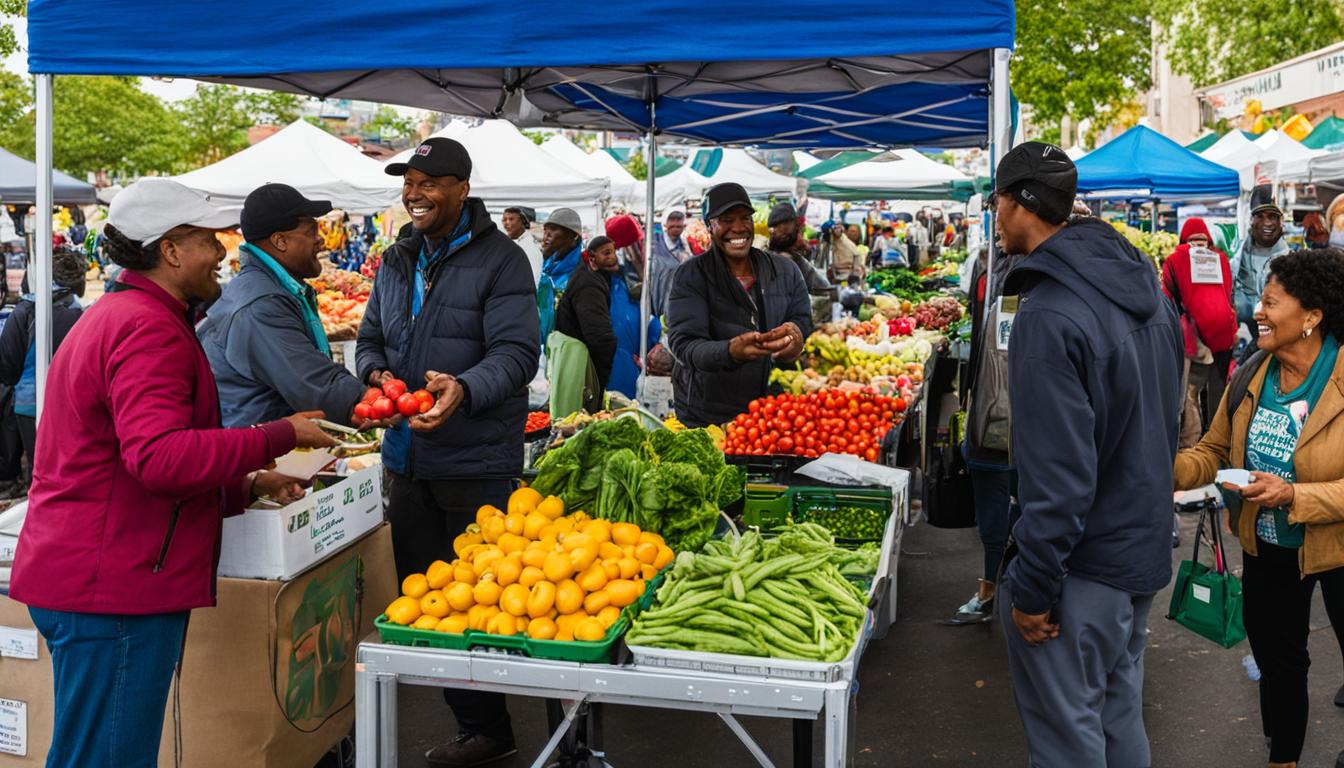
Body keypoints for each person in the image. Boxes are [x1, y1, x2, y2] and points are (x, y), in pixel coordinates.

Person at [7, 178, 336, 768]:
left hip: (99, 573)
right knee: (107, 756)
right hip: (113, 586)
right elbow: (157, 458)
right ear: (170, 249)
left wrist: (244, 483)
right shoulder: (146, 327)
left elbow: (124, 458)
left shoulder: (126, 313)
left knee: (96, 750)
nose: (221, 254)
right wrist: (275, 436)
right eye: (209, 240)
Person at [991, 142, 1183, 766]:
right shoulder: (1144, 289)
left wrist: (1031, 589)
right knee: (1119, 714)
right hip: (1140, 549)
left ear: (1023, 204)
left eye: (997, 199)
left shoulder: (1048, 313)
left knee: (1068, 739)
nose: (993, 214)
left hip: (1085, 564)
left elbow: (1059, 482)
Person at [360, 137, 539, 766]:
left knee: (487, 600)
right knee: (427, 591)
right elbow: (371, 339)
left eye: (429, 181)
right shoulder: (394, 258)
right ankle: (474, 723)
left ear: (462, 188)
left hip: (477, 462)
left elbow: (518, 355)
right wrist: (378, 376)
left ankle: (494, 727)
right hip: (406, 458)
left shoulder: (502, 260)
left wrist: (464, 389)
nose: (415, 193)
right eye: (408, 181)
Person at [1174, 248, 1344, 768]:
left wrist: (1294, 495)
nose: (1257, 312)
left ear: (1312, 317)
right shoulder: (1252, 372)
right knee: (1278, 660)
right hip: (1267, 546)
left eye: (1271, 302)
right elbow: (1213, 452)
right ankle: (1283, 758)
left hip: (1338, 550)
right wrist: (1156, 467)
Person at [198, 184, 372, 429]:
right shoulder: (261, 304)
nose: (321, 240)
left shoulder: (269, 287)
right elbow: (310, 381)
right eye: (312, 231)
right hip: (261, 454)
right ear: (280, 241)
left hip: (273, 442)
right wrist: (366, 401)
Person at [666, 183, 812, 428]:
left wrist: (794, 339)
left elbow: (803, 320)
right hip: (707, 414)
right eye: (726, 219)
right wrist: (730, 351)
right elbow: (685, 344)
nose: (738, 227)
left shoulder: (785, 270)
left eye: (745, 218)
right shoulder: (691, 275)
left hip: (772, 411)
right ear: (710, 225)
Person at [947, 245, 1023, 624]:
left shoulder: (1014, 288)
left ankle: (997, 587)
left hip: (1001, 423)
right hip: (997, 419)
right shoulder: (992, 273)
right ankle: (998, 585)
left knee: (1002, 507)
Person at [0, 246, 85, 482]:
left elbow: (7, 366)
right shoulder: (83, 312)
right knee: (67, 471)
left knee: (41, 472)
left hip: (31, 404)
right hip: (74, 403)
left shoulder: (25, 310)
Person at [1162, 217, 1239, 448]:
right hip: (1224, 333)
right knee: (1218, 390)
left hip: (1194, 337)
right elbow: (1228, 294)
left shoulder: (1176, 259)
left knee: (1190, 394)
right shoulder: (1221, 258)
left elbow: (1167, 298)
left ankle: (1190, 445)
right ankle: (1218, 444)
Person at [551, 235, 618, 414]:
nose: (613, 256)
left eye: (613, 251)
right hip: (580, 364)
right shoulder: (588, 283)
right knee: (579, 417)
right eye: (606, 253)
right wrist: (601, 378)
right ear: (593, 256)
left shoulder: (593, 275)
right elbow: (599, 336)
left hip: (578, 357)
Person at [1233, 185, 1289, 341]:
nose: (1268, 223)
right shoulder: (1238, 256)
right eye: (1261, 216)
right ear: (1251, 220)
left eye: (1273, 217)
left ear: (1281, 222)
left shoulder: (1289, 262)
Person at [766, 202, 832, 328]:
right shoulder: (763, 260)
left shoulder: (799, 263)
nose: (781, 231)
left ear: (796, 227)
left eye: (786, 225)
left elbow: (824, 289)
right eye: (776, 227)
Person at [537, 208, 585, 354]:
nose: (546, 236)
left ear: (573, 237)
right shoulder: (545, 267)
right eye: (545, 230)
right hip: (548, 350)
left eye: (553, 230)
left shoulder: (581, 273)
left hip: (571, 350)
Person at [649, 209, 692, 318]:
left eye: (679, 221)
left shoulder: (685, 245)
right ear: (665, 223)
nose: (676, 225)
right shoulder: (654, 244)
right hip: (657, 297)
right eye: (672, 220)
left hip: (678, 301)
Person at [502, 206, 542, 284]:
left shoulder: (531, 247)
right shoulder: (505, 243)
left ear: (522, 221)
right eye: (504, 220)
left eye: (511, 219)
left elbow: (533, 278)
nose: (506, 223)